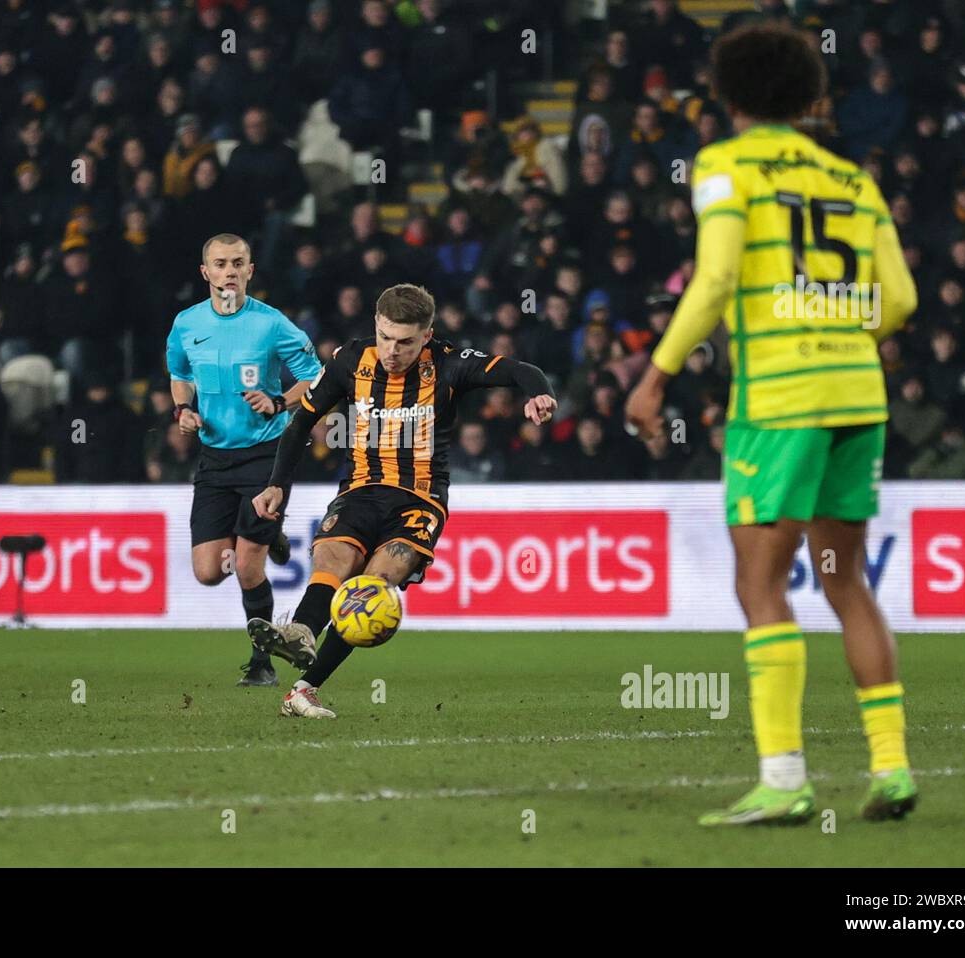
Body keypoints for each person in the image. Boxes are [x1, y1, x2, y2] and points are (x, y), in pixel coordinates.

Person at [626, 24, 920, 826]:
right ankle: (890, 769)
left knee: (759, 582)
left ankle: (785, 778)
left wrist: (657, 373)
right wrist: (838, 333)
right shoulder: (852, 178)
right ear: (809, 96)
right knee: (844, 579)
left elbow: (717, 274)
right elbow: (900, 301)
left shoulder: (726, 167)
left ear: (726, 96)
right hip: (858, 396)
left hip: (781, 400)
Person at [248, 284, 557, 719]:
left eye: (406, 341)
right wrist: (278, 484)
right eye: (386, 337)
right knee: (333, 560)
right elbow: (301, 424)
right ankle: (300, 633)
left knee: (375, 586)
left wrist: (538, 392)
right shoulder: (349, 360)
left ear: (427, 336)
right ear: (376, 324)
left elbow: (520, 369)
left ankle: (304, 687)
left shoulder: (449, 364)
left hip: (419, 497)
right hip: (359, 489)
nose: (393, 350)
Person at [166, 233, 322, 687]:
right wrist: (183, 410)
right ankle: (271, 532)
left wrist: (278, 400)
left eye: (238, 263)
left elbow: (317, 377)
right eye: (220, 264)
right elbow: (179, 374)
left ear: (250, 271)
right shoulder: (186, 324)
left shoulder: (272, 325)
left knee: (248, 566)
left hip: (266, 457)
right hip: (214, 458)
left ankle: (261, 663)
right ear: (205, 272)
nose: (229, 271)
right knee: (209, 571)